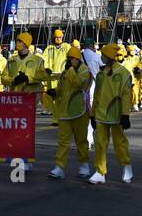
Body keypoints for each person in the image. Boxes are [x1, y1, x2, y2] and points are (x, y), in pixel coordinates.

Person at [89, 43, 133, 184]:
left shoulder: (124, 73)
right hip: (101, 114)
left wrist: (125, 114)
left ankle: (126, 166)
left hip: (116, 114)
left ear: (109, 56)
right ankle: (100, 171)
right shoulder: (101, 74)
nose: (101, 57)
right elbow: (97, 94)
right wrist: (92, 114)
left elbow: (126, 95)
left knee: (119, 143)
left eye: (103, 55)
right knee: (100, 143)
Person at [49, 47, 93, 180]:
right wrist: (55, 93)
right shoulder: (66, 72)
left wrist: (70, 70)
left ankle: (84, 165)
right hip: (65, 112)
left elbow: (78, 84)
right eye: (69, 58)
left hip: (80, 111)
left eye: (72, 58)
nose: (70, 60)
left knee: (81, 140)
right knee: (63, 141)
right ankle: (59, 167)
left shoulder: (85, 70)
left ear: (77, 58)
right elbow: (61, 89)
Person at [41, 29, 70, 114]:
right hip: (52, 76)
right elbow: (43, 59)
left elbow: (71, 57)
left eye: (60, 37)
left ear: (62, 37)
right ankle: (54, 113)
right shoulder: (49, 48)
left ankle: (63, 111)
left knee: (63, 94)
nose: (58, 39)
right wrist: (46, 68)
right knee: (52, 96)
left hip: (63, 76)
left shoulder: (66, 46)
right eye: (56, 37)